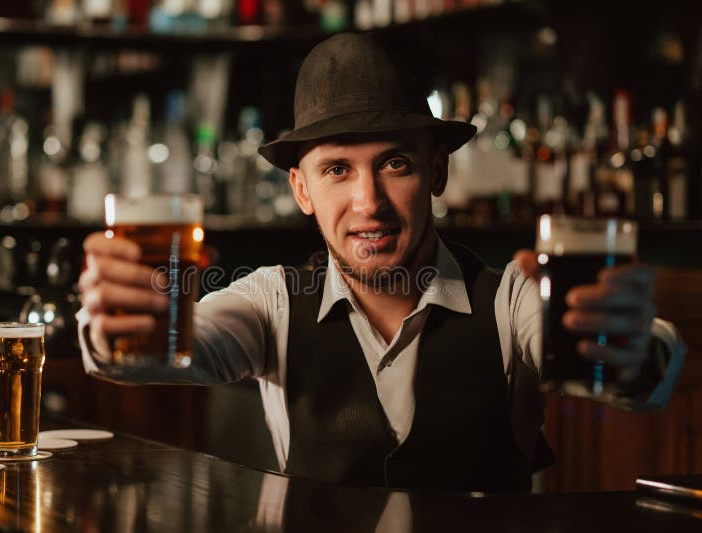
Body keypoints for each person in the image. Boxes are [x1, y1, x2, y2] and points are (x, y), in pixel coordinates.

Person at [77, 33, 685, 492]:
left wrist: (631, 348)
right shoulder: (268, 302)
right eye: (337, 170)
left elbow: (631, 365)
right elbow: (182, 347)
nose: (368, 203)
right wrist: (115, 329)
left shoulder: (513, 299)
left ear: (438, 171)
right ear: (302, 190)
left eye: (396, 163)